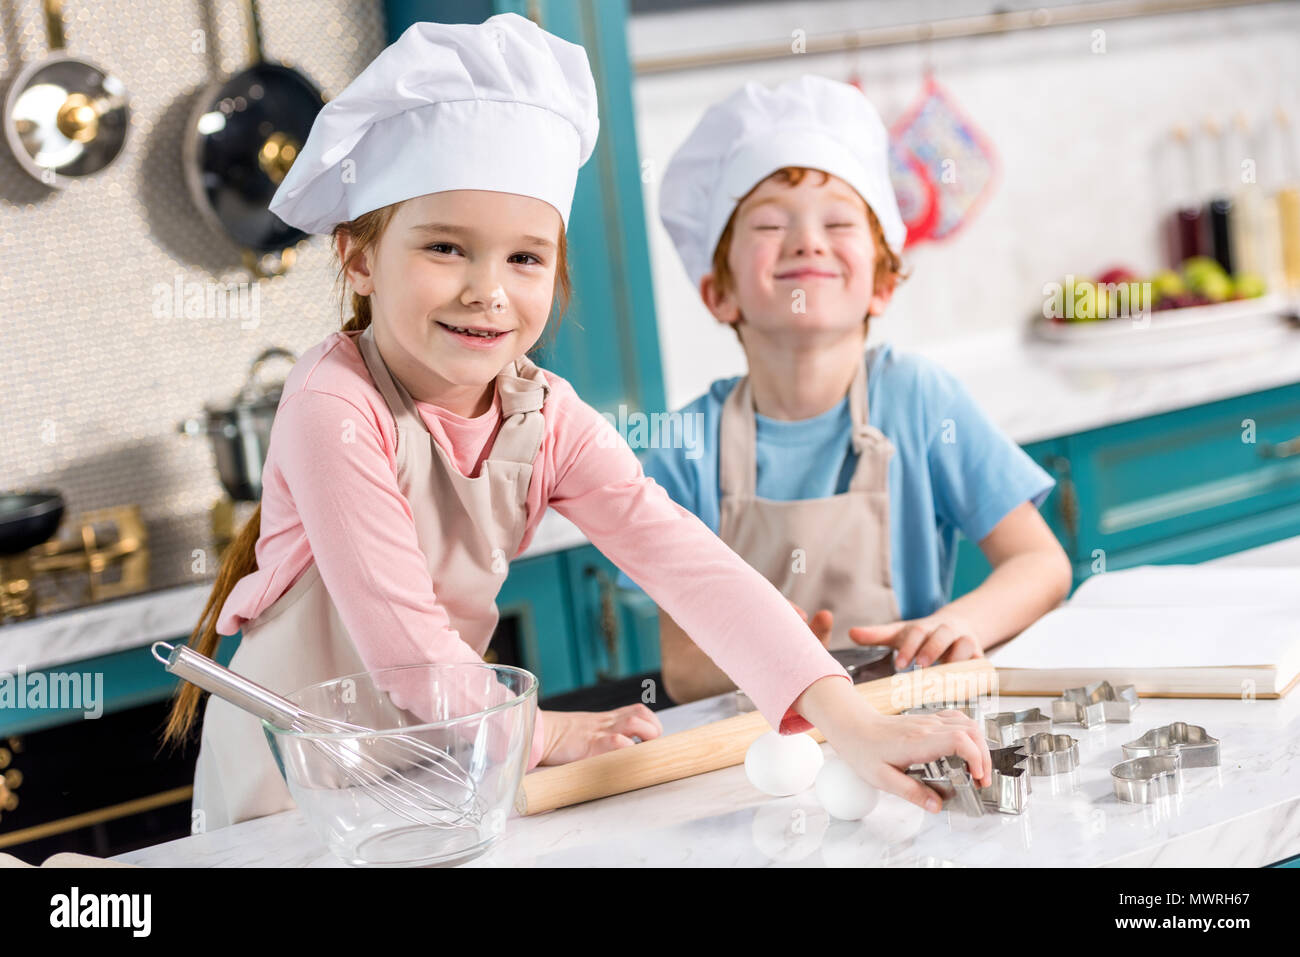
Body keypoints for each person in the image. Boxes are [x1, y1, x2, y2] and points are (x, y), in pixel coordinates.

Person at [162, 17, 992, 831]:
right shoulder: (332, 406)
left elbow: (691, 565)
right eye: (446, 247)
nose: (488, 290)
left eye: (525, 258)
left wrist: (850, 719)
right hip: (293, 788)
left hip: (445, 762)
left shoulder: (546, 416)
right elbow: (407, 654)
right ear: (358, 257)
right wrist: (548, 731)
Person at [621, 74, 1072, 704]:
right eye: (770, 225)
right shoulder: (685, 451)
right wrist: (774, 655)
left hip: (909, 724)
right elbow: (683, 670)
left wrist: (959, 625)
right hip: (757, 754)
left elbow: (1041, 565)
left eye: (838, 222)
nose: (808, 240)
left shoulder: (919, 402)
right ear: (718, 292)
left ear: (882, 284)